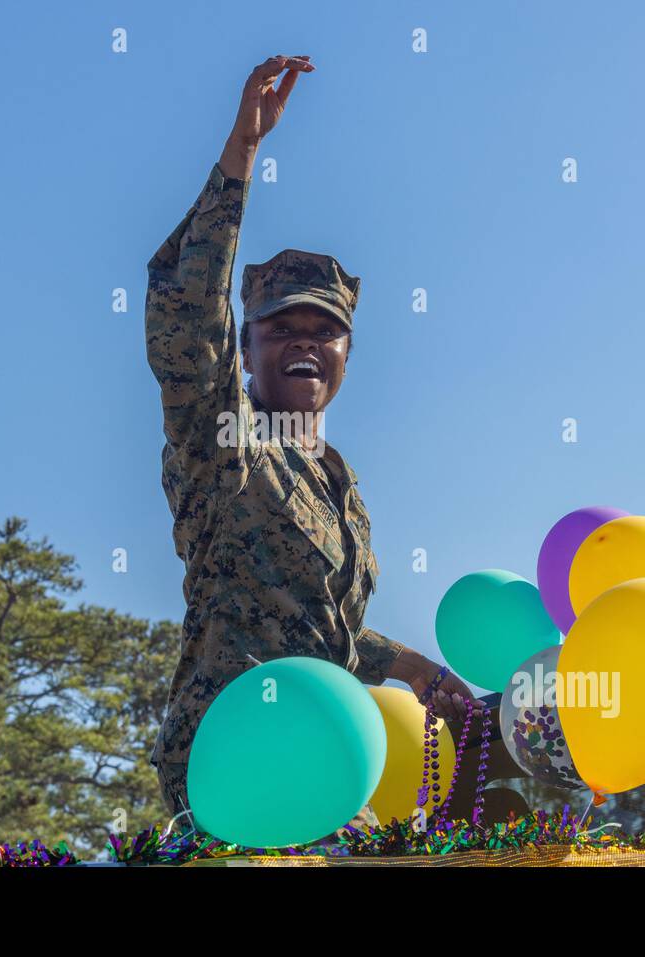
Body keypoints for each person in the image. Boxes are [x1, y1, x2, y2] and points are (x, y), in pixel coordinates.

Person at [145, 54, 477, 823]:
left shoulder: (337, 483)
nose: (303, 341)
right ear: (247, 349)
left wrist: (409, 665)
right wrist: (241, 156)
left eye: (323, 329)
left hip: (327, 777)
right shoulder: (224, 440)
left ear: (347, 353)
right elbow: (189, 327)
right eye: (279, 327)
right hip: (240, 769)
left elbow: (313, 626)